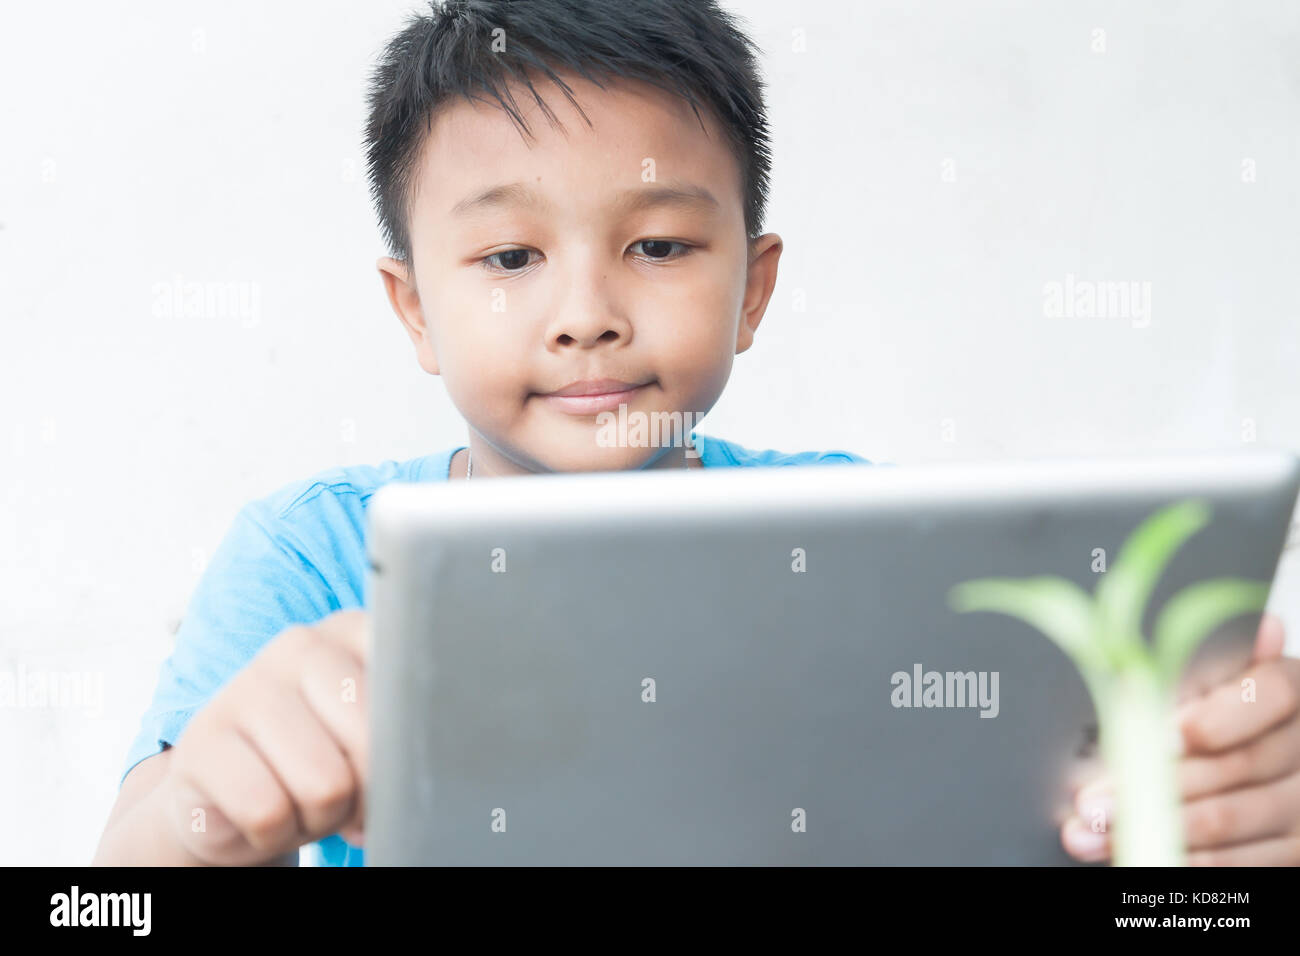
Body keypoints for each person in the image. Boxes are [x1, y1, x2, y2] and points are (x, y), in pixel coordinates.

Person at [92, 0, 1300, 867]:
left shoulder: (850, 534)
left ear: (752, 289)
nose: (586, 318)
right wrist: (208, 807)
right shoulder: (304, 555)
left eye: (659, 245)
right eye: (509, 257)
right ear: (415, 307)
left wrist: (1195, 822)